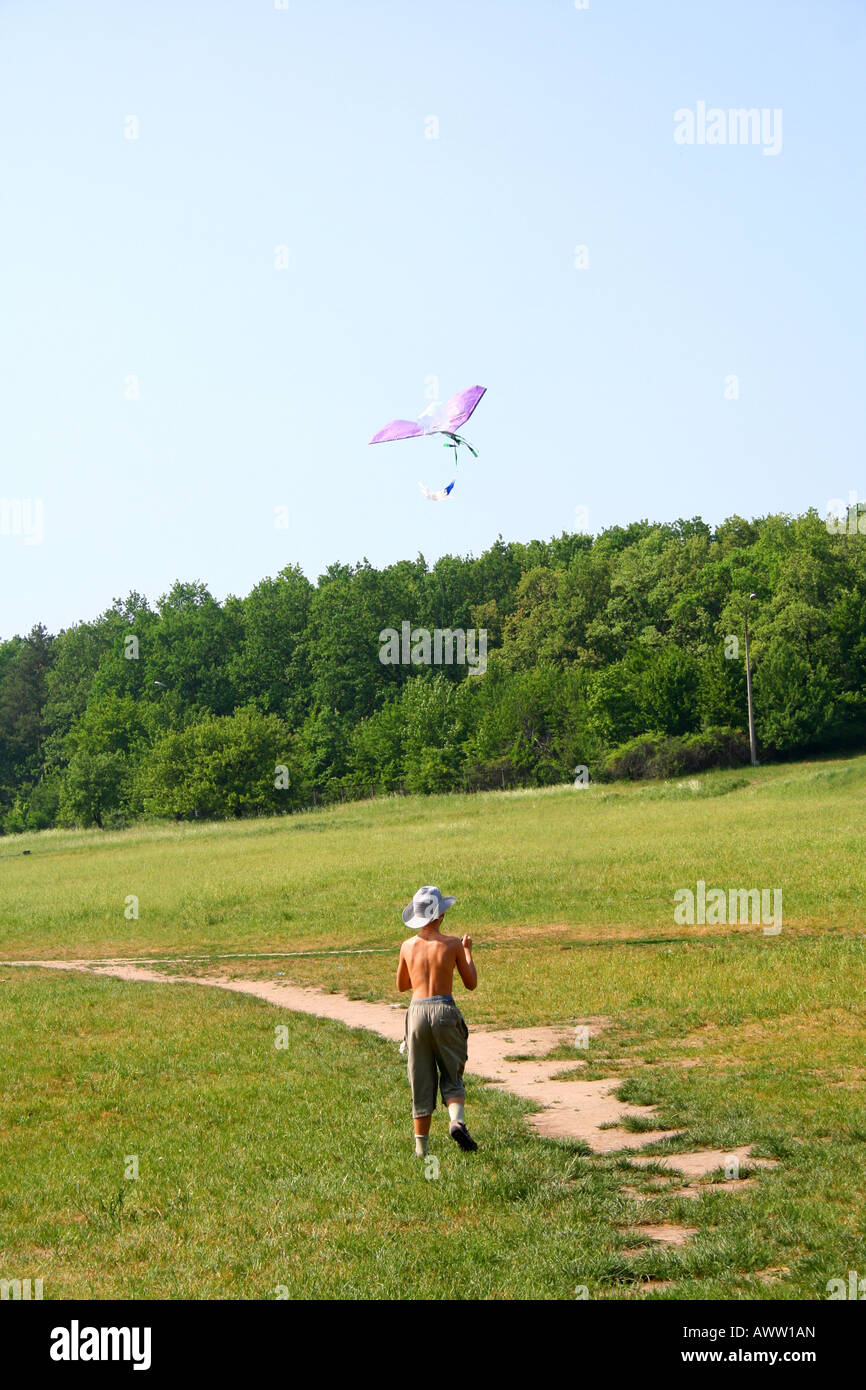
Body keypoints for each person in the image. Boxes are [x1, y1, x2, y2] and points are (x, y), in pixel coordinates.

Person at [396, 885, 478, 1156]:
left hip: (417, 1013)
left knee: (421, 1077)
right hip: (444, 1009)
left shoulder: (407, 946)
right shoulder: (453, 944)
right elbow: (471, 983)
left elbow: (401, 985)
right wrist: (466, 952)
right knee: (451, 1072)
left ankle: (421, 1148)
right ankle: (456, 1121)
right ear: (440, 915)